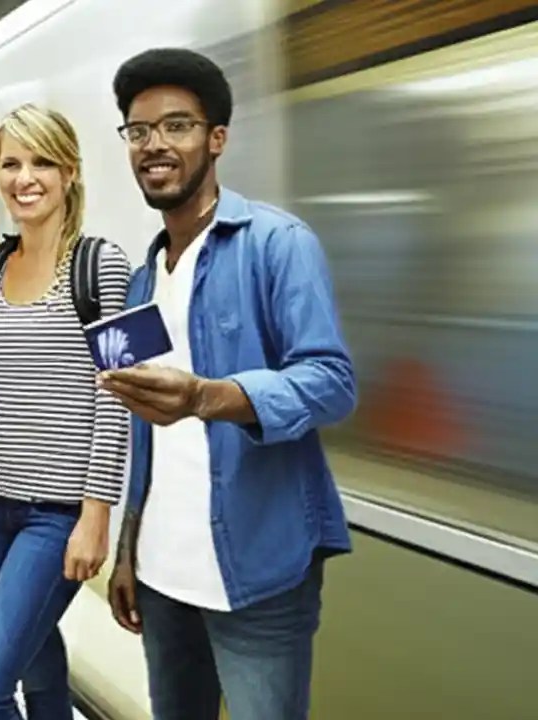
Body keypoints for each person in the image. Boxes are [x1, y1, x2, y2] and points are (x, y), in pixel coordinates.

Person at [98, 48, 357, 720]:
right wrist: (128, 552)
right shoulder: (141, 278)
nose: (154, 145)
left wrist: (206, 397)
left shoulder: (278, 243)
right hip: (160, 577)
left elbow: (331, 382)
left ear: (216, 140)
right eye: (138, 130)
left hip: (260, 579)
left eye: (177, 126)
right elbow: (143, 440)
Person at [0, 104, 132, 719]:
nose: (23, 178)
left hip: (55, 516)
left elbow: (118, 398)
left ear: (70, 173)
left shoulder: (102, 265)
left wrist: (95, 516)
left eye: (41, 162)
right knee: (38, 663)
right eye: (10, 163)